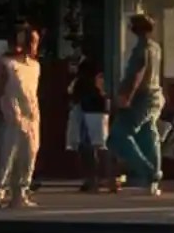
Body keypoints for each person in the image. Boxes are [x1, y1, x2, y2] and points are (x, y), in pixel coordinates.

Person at [109, 14, 165, 196]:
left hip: (141, 97)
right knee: (149, 135)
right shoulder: (156, 47)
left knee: (117, 137)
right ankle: (153, 179)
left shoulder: (142, 48)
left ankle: (148, 171)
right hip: (155, 95)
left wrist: (126, 97)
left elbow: (137, 74)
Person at [0, 23, 42, 208]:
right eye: (32, 42)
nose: (35, 46)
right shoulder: (6, 64)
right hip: (12, 113)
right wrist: (0, 110)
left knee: (29, 154)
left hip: (32, 114)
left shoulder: (35, 66)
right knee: (7, 154)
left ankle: (20, 194)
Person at [68, 53, 111, 192]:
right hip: (95, 109)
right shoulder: (95, 73)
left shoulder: (85, 75)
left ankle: (95, 179)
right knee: (98, 145)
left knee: (91, 146)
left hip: (90, 108)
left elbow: (74, 92)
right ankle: (106, 179)